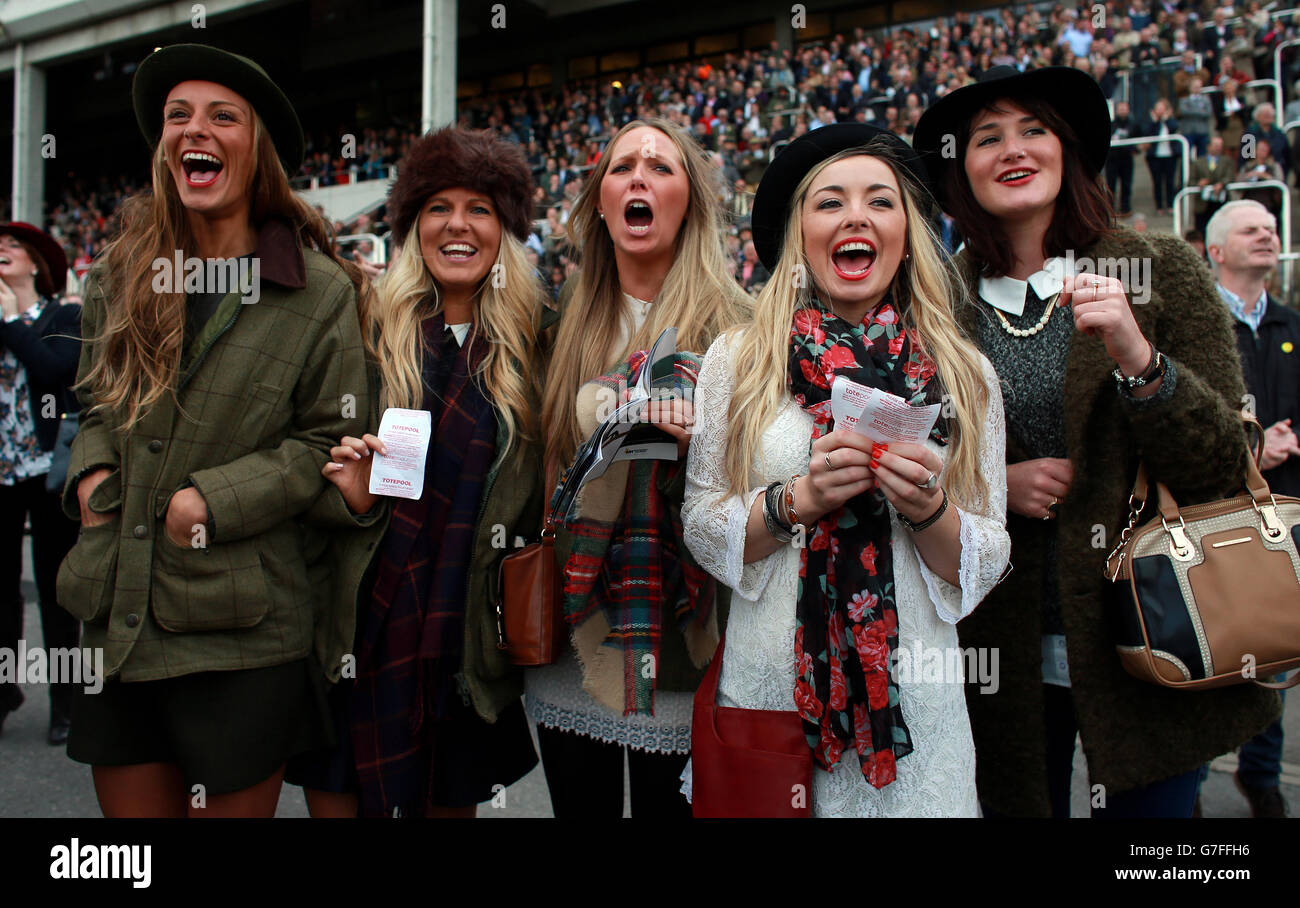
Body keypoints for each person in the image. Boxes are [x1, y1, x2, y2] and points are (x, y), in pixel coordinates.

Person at [913, 65, 1279, 818]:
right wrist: (989, 485)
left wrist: (1138, 359)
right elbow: (902, 456)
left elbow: (1222, 460)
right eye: (988, 138)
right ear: (962, 169)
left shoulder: (1155, 270)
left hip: (1153, 631)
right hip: (994, 648)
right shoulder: (933, 302)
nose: (1012, 150)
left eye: (1034, 130)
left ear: (1068, 149)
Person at [58, 44, 373, 818]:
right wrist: (94, 479)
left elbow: (323, 444)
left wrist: (213, 499)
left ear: (255, 149)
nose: (194, 130)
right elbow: (93, 404)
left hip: (243, 633)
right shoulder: (116, 275)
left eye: (222, 116)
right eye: (178, 117)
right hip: (119, 612)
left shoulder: (321, 290)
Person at [681, 124, 1009, 816]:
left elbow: (988, 551)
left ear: (907, 231)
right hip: (772, 708)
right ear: (799, 233)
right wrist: (792, 503)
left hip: (918, 713)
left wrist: (927, 510)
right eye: (830, 202)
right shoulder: (736, 362)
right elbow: (702, 524)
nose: (856, 216)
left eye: (879, 202)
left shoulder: (965, 376)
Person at [304, 128, 549, 818]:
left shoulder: (537, 347)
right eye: (438, 206)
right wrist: (349, 501)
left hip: (463, 640)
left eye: (480, 207)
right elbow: (309, 468)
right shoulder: (364, 330)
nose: (458, 225)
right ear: (414, 228)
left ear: (504, 230)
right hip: (358, 628)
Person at [531, 117, 749, 817]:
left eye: (661, 168)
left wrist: (701, 449)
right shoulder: (561, 316)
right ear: (600, 200)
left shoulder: (741, 324)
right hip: (580, 626)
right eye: (623, 167)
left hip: (687, 629)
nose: (639, 179)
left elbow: (764, 479)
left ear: (690, 199)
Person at [1206, 199, 1299, 818]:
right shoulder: (1195, 320)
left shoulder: (1292, 323)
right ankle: (1191, 780)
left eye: (1271, 228)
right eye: (1251, 229)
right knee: (1212, 651)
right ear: (1217, 251)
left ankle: (1260, 777)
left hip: (1287, 516)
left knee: (1277, 648)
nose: (1268, 235)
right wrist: (1250, 454)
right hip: (1215, 516)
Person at [0, 222, 81, 744]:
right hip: (3, 475)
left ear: (36, 263)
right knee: (2, 597)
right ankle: (5, 693)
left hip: (47, 475)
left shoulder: (64, 316)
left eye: (11, 248)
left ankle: (66, 706)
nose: (1, 253)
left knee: (57, 595)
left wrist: (10, 321)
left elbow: (55, 372)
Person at [1140, 98, 1180, 217]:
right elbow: (1148, 133)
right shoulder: (1152, 123)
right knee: (1157, 182)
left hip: (1170, 156)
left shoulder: (1171, 121)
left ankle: (1170, 205)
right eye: (1158, 109)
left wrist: (1165, 119)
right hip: (1155, 157)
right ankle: (1159, 206)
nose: (1160, 111)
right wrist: (1156, 121)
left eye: (1162, 108)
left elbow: (1174, 128)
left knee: (1170, 182)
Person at [1189, 134, 1234, 234]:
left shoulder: (1227, 161)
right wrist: (1199, 183)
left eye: (1220, 145)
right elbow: (1190, 181)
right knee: (1202, 231)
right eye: (1216, 145)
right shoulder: (1197, 163)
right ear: (1208, 146)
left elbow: (1230, 176)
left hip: (1221, 202)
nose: (1218, 148)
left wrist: (1222, 183)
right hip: (1202, 204)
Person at [1106, 100, 1138, 217]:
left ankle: (1125, 208)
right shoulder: (1111, 124)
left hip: (1126, 158)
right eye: (1120, 108)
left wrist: (1135, 150)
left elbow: (1140, 137)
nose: (1122, 111)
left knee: (1126, 184)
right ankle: (1110, 209)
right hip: (1112, 158)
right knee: (1111, 184)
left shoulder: (1133, 124)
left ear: (1128, 110)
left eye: (1124, 108)